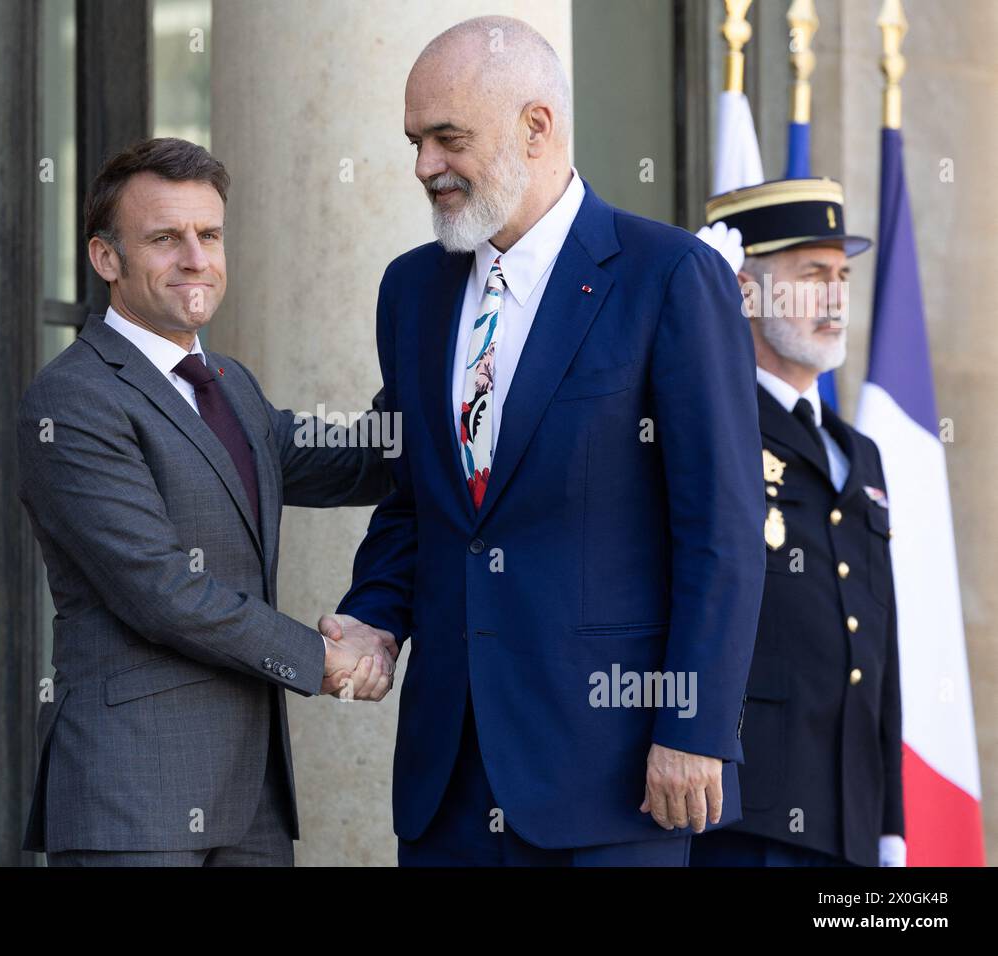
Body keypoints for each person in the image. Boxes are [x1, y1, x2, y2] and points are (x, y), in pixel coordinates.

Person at [323, 16, 764, 866]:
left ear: (537, 127)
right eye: (416, 141)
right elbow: (416, 500)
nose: (424, 167)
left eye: (449, 138)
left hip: (618, 781)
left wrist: (695, 727)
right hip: (446, 786)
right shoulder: (411, 291)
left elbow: (722, 530)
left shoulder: (669, 276)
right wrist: (374, 618)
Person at [18, 138, 396, 867]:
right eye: (165, 238)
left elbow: (359, 463)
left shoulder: (230, 386)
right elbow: (159, 588)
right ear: (106, 259)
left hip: (250, 798)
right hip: (133, 798)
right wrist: (320, 657)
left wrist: (444, 344)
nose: (196, 257)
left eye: (209, 235)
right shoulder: (72, 397)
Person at [690, 178, 905, 867]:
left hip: (851, 820)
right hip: (750, 818)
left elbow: (882, 647)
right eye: (813, 275)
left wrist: (891, 819)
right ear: (747, 291)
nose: (837, 296)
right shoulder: (709, 422)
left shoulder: (857, 450)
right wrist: (693, 314)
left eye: (842, 275)